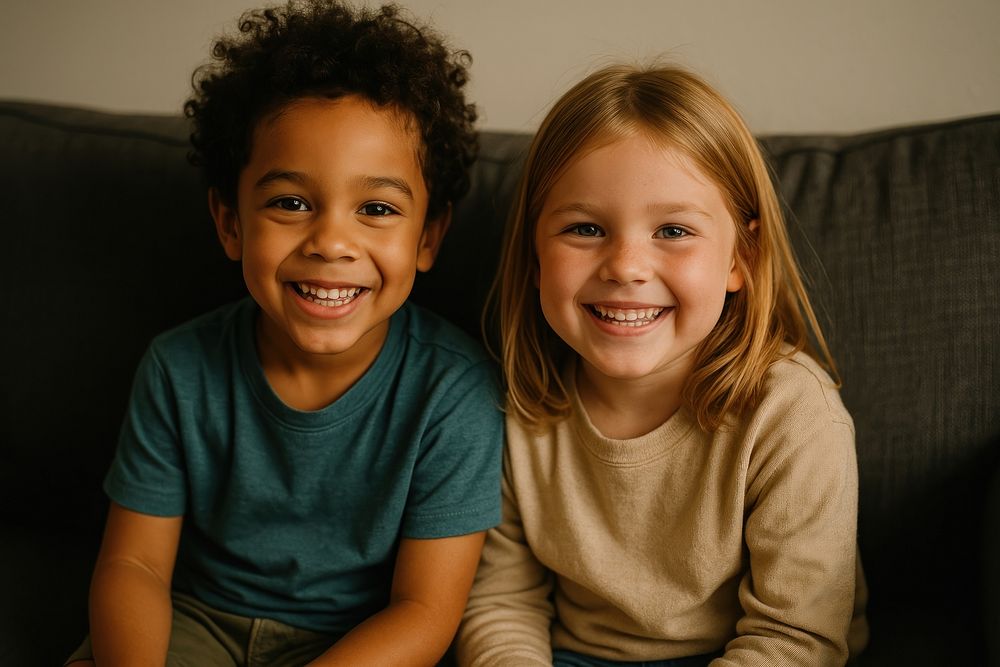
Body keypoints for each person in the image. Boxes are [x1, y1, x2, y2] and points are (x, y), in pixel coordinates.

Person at [66, 1, 502, 665]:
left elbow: (425, 610)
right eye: (291, 203)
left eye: (376, 208)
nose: (331, 241)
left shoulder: (454, 389)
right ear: (230, 222)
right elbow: (135, 566)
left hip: (357, 647)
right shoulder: (179, 367)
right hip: (196, 624)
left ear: (430, 236)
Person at [456, 64, 868, 666]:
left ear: (741, 258)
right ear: (535, 255)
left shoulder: (791, 412)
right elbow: (502, 602)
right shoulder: (516, 402)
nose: (625, 266)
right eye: (585, 228)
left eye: (673, 230)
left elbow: (795, 638)